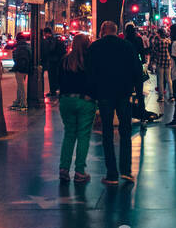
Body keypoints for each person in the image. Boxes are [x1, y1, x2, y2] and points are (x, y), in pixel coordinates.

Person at [87, 21, 139, 185]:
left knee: (107, 133)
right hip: (123, 93)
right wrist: (137, 92)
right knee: (125, 131)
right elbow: (136, 69)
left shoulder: (95, 47)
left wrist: (92, 93)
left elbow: (90, 71)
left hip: (104, 94)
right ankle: (126, 170)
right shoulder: (127, 46)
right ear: (117, 31)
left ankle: (111, 173)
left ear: (102, 31)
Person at [57, 33, 95, 184]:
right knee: (83, 136)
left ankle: (64, 169)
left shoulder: (65, 60)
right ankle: (80, 171)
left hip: (66, 100)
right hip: (85, 101)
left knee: (69, 135)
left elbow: (58, 80)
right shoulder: (90, 61)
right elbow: (94, 81)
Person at [122, 22, 149, 120]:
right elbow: (142, 54)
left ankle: (127, 115)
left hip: (127, 69)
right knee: (139, 93)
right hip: (137, 68)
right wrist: (141, 64)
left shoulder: (124, 41)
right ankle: (142, 117)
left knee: (127, 93)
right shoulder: (138, 39)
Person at [149, 25, 172, 104]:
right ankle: (171, 96)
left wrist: (152, 61)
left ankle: (161, 97)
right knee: (169, 79)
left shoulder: (157, 42)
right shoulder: (168, 41)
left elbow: (154, 52)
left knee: (160, 80)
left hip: (160, 62)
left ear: (159, 34)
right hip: (168, 62)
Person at [11, 32, 32, 110]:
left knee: (21, 86)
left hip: (20, 68)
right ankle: (18, 101)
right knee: (20, 85)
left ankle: (23, 103)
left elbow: (16, 57)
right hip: (25, 68)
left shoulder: (18, 47)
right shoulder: (27, 46)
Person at [42, 28, 65, 100]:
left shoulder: (50, 40)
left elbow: (50, 49)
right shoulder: (56, 39)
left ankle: (53, 91)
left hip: (52, 61)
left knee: (52, 76)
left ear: (47, 33)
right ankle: (58, 90)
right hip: (58, 61)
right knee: (57, 76)